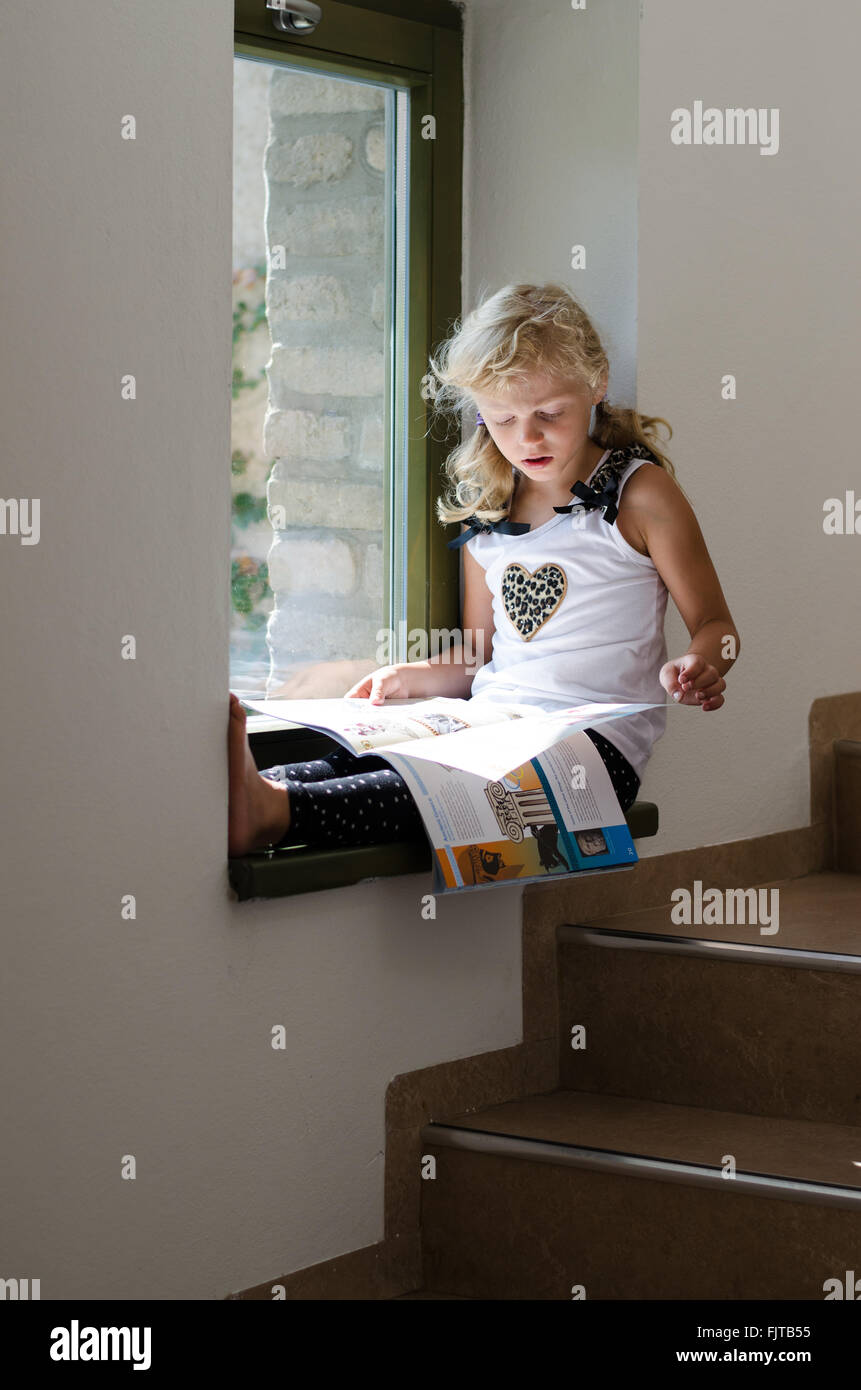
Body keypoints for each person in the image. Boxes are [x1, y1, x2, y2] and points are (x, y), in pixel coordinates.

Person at [228, 282, 740, 857]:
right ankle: (266, 791)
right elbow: (479, 655)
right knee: (372, 755)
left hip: (592, 751)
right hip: (496, 721)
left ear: (597, 382)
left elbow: (717, 625)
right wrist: (415, 676)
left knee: (450, 788)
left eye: (550, 413)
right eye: (502, 419)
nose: (528, 437)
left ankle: (273, 813)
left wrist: (702, 662)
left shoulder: (640, 494)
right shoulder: (491, 511)